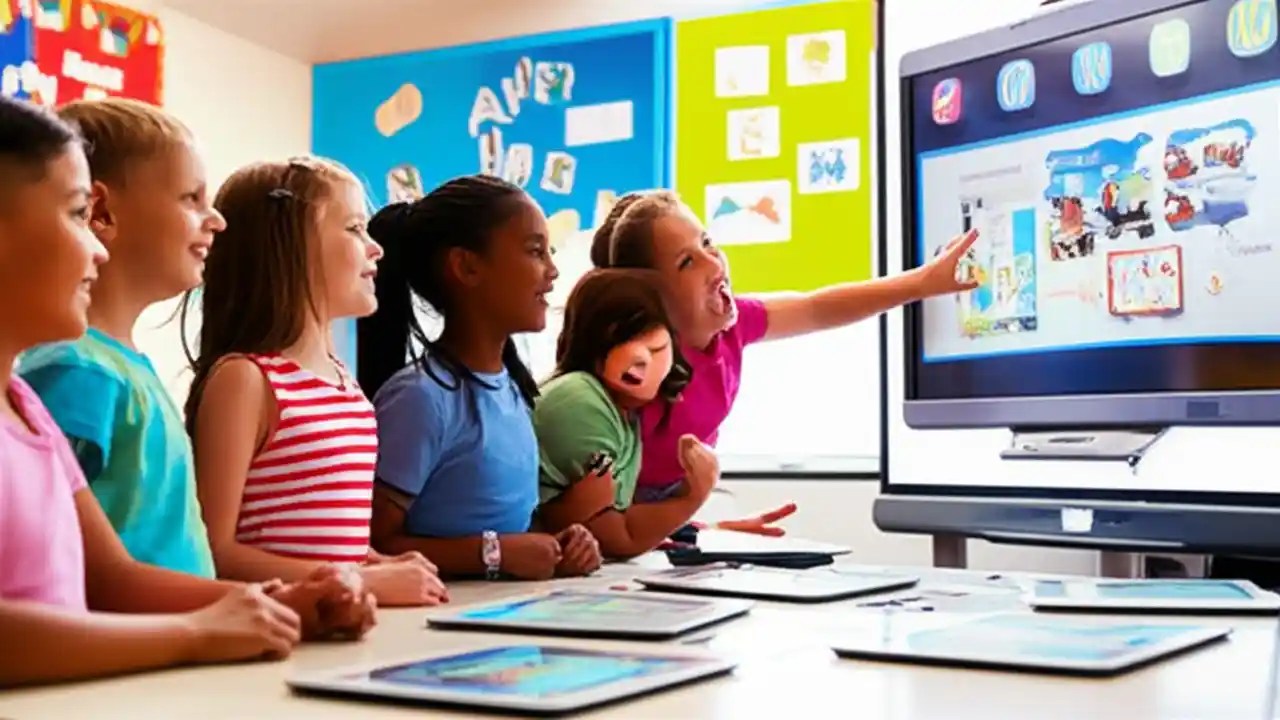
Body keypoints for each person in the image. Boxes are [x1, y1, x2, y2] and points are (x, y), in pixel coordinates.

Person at [0, 95, 372, 688]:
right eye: (76, 213)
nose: (97, 245)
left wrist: (281, 602)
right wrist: (194, 634)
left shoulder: (31, 410)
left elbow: (114, 575)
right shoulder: (77, 376)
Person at [590, 190, 979, 508]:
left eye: (708, 242)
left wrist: (922, 283)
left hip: (673, 508)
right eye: (687, 261)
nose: (713, 263)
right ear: (652, 298)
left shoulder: (734, 326)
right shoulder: (636, 365)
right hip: (623, 508)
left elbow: (816, 307)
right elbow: (602, 494)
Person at [182, 157, 448, 608]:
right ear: (289, 248)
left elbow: (324, 540)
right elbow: (215, 552)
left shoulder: (344, 383)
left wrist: (376, 562)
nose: (375, 247)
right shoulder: (245, 380)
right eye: (354, 228)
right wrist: (362, 581)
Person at [358, 174, 602, 581]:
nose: (553, 270)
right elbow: (372, 544)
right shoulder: (420, 398)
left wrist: (562, 542)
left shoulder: (513, 389)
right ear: (467, 266)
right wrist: (493, 554)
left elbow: (506, 527)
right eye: (535, 251)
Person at [18, 98, 219, 576]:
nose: (216, 219)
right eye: (192, 198)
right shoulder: (76, 370)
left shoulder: (121, 366)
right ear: (101, 212)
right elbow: (64, 565)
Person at [532, 268, 723, 559]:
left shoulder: (622, 411)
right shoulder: (580, 402)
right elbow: (619, 539)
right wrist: (693, 494)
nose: (641, 355)